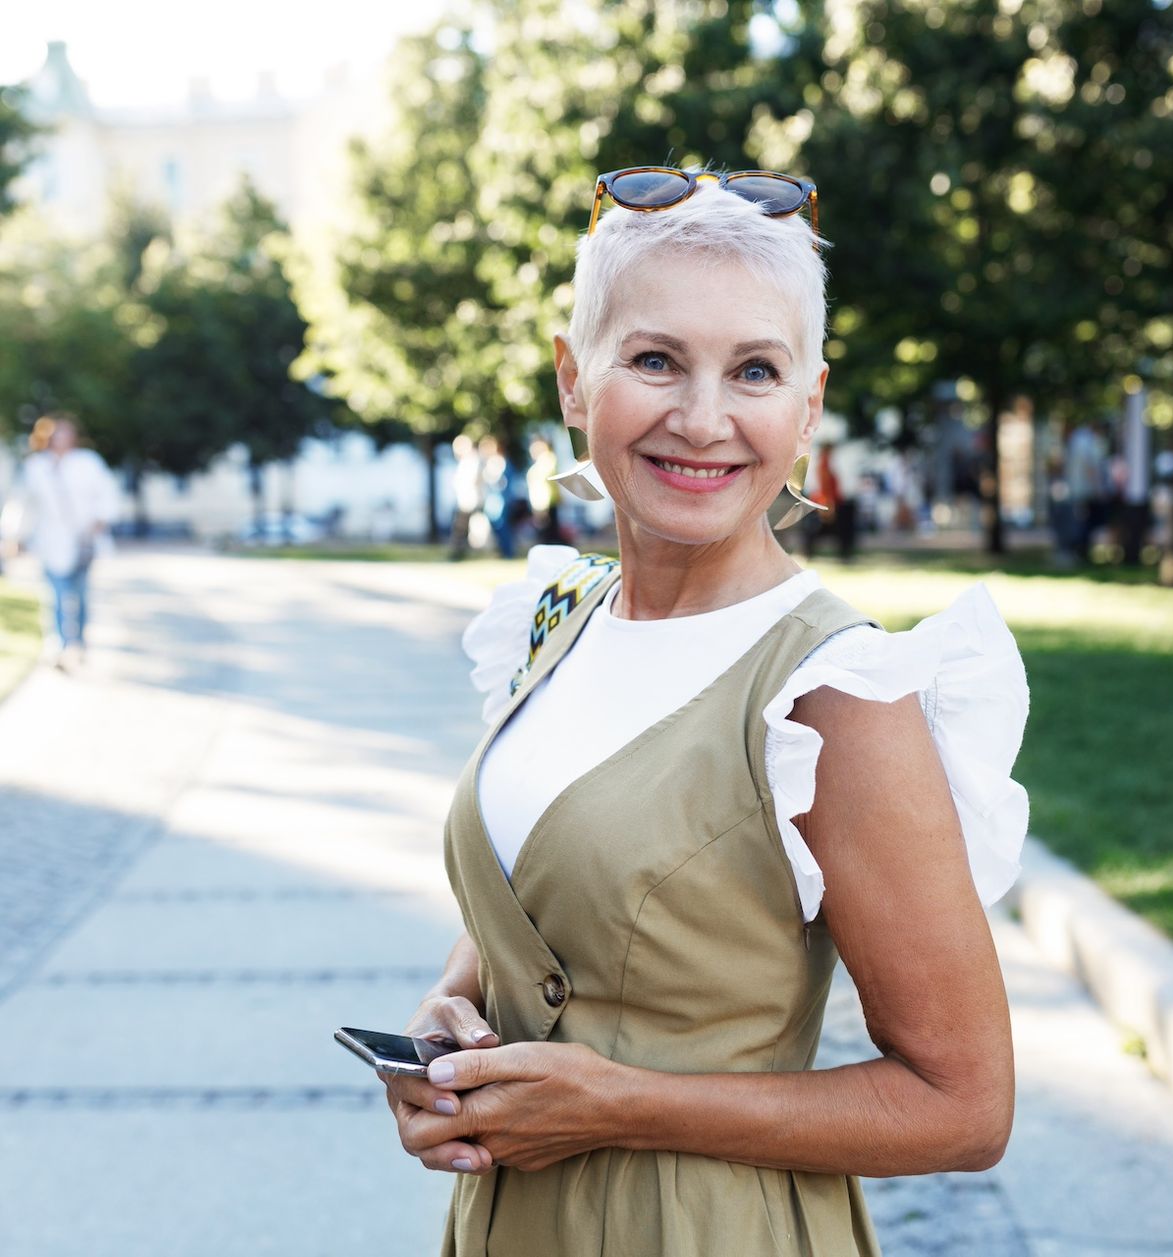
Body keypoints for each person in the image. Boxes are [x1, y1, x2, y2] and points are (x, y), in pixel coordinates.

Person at [381, 168, 1029, 1256]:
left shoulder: (831, 694)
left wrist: (619, 1103)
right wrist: (451, 1018)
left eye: (756, 371)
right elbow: (550, 895)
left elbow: (965, 1106)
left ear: (809, 406)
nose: (703, 418)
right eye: (654, 360)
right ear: (572, 380)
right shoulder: (554, 617)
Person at [0, 414, 119, 669]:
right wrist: (13, 535)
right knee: (56, 595)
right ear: (46, 437)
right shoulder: (36, 466)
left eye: (66, 433)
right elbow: (23, 503)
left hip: (84, 540)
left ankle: (79, 641)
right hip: (51, 540)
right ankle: (64, 645)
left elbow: (106, 493)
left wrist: (100, 520)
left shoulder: (88, 462)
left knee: (81, 594)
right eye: (56, 434)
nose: (61, 439)